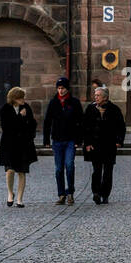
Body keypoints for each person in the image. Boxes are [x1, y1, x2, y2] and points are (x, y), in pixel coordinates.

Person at [43, 75, 83, 205]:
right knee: (59, 168)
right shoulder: (53, 102)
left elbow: (80, 122)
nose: (60, 91)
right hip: (57, 139)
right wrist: (46, 139)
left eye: (63, 88)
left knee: (69, 165)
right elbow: (47, 121)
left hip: (71, 139)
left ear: (67, 89)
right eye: (59, 88)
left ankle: (70, 192)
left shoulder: (74, 102)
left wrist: (79, 139)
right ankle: (61, 194)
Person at [82, 85, 126, 205]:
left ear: (105, 97)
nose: (95, 97)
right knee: (96, 170)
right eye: (95, 95)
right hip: (95, 145)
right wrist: (87, 143)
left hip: (109, 145)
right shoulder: (90, 109)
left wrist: (119, 140)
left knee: (108, 171)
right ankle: (96, 192)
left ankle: (105, 194)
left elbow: (121, 126)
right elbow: (85, 127)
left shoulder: (114, 109)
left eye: (98, 95)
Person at [0, 86, 38, 208]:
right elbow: (7, 127)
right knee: (10, 170)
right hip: (9, 145)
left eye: (23, 98)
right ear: (14, 98)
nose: (23, 100)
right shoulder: (5, 109)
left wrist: (30, 136)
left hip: (23, 144)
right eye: (20, 98)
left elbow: (32, 123)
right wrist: (20, 117)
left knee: (22, 171)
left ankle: (20, 199)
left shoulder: (26, 108)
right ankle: (10, 193)